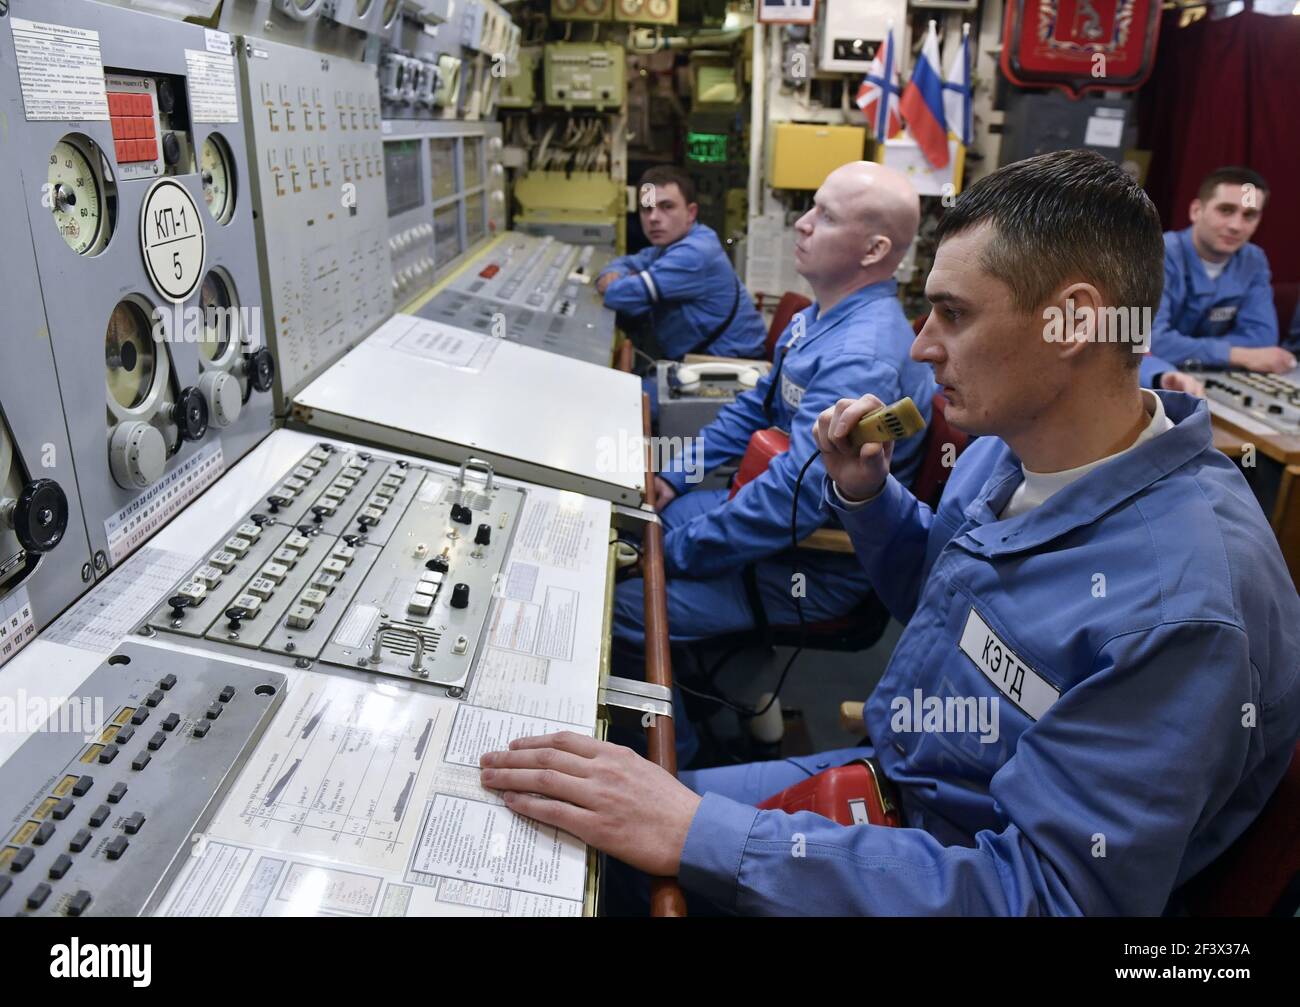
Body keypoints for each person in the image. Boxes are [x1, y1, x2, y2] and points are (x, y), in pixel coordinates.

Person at [479, 149, 1300, 916]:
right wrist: (867, 497)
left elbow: (1045, 894)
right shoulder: (1003, 455)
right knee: (573, 830)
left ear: (1073, 322)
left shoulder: (1184, 610)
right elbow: (941, 595)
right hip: (899, 780)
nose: (920, 346)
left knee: (620, 868)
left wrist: (702, 834)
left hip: (951, 858)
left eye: (951, 312)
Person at [612, 160, 935, 648]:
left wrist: (668, 555)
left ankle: (681, 725)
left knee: (617, 611)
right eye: (811, 208)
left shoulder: (861, 360)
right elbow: (755, 409)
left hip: (809, 563)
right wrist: (676, 476)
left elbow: (795, 503)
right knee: (644, 525)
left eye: (825, 216)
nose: (802, 223)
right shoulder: (817, 317)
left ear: (875, 250)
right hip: (766, 513)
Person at [596, 165, 766, 361]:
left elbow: (616, 295)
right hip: (696, 358)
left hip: (730, 367)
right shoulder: (668, 246)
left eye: (666, 207)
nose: (653, 218)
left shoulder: (694, 252)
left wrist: (620, 284)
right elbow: (624, 263)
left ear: (691, 212)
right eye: (646, 208)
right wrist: (618, 275)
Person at [1150, 166, 1295, 374]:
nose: (1236, 225)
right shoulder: (1158, 254)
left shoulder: (1253, 260)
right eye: (1226, 210)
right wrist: (1236, 355)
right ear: (1196, 211)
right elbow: (1148, 341)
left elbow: (1262, 339)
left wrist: (1184, 348)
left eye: (1249, 215)